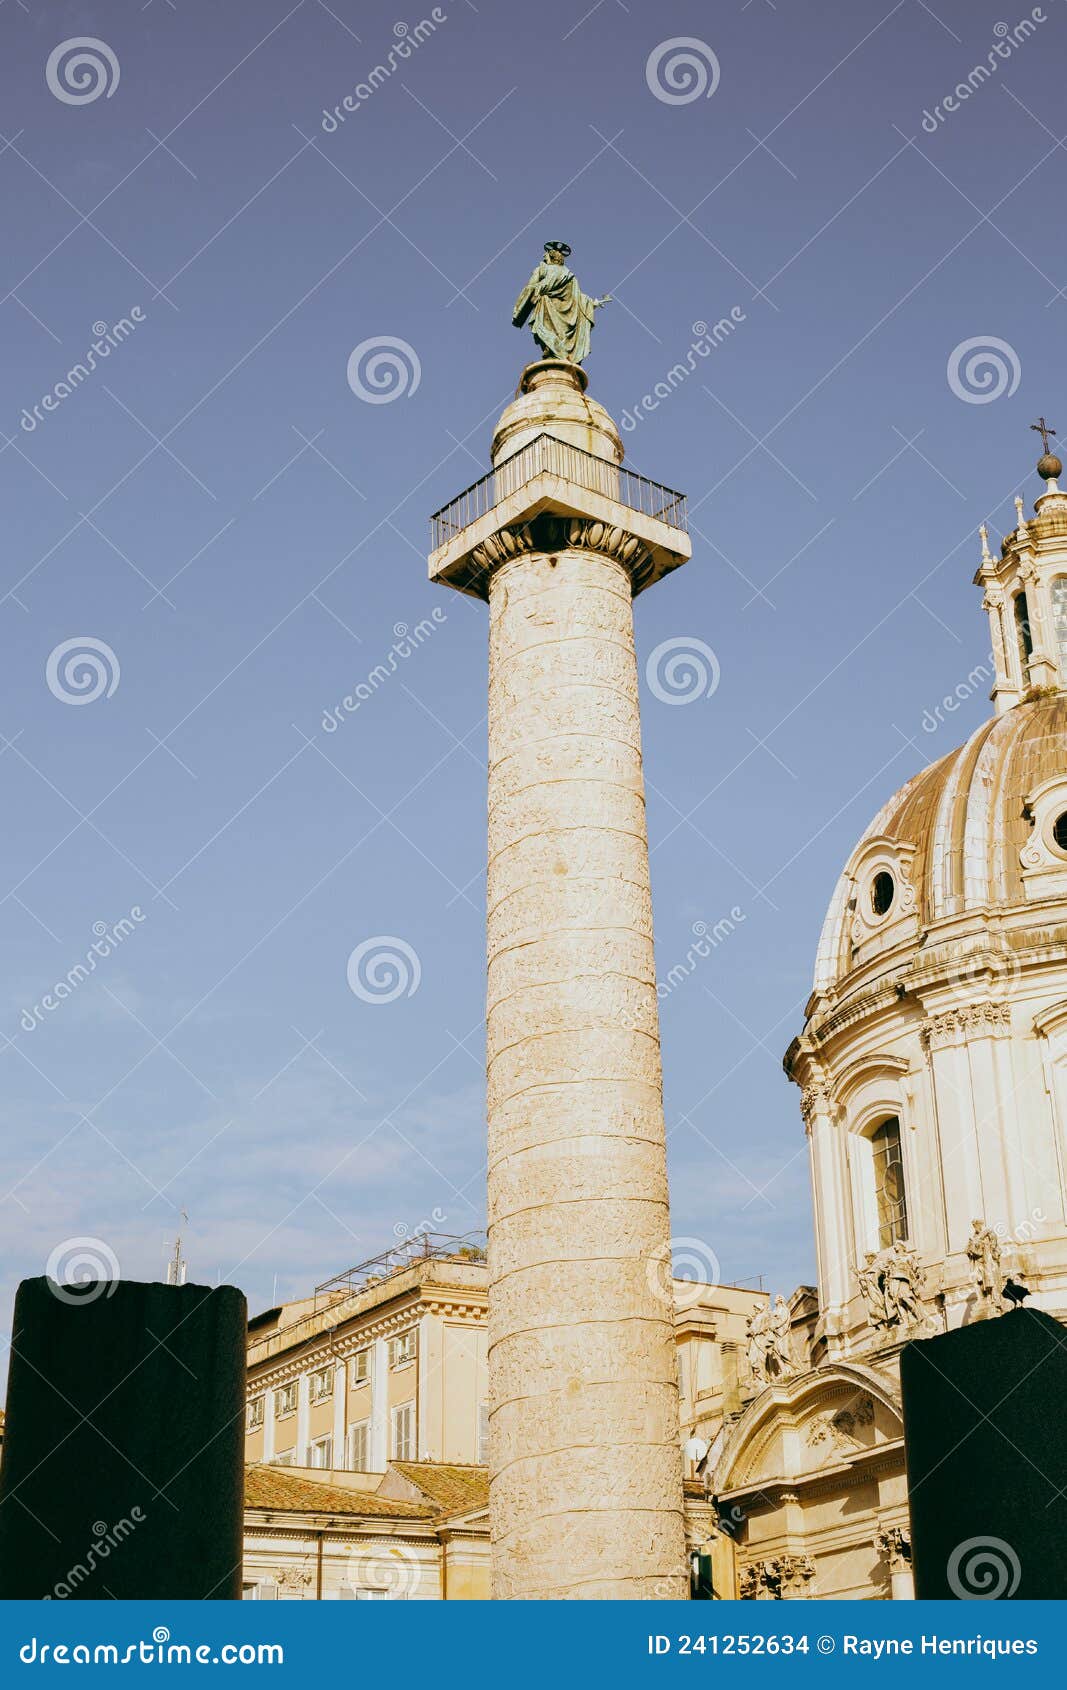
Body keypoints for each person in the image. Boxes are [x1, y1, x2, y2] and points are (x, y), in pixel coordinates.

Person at [512, 242, 612, 365]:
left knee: (545, 332)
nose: (544, 256)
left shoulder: (542, 269)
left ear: (551, 255)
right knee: (550, 336)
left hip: (546, 308)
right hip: (561, 315)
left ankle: (552, 350)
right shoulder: (569, 275)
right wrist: (591, 303)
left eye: (546, 254)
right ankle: (555, 350)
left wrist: (520, 311)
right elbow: (579, 297)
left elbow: (530, 288)